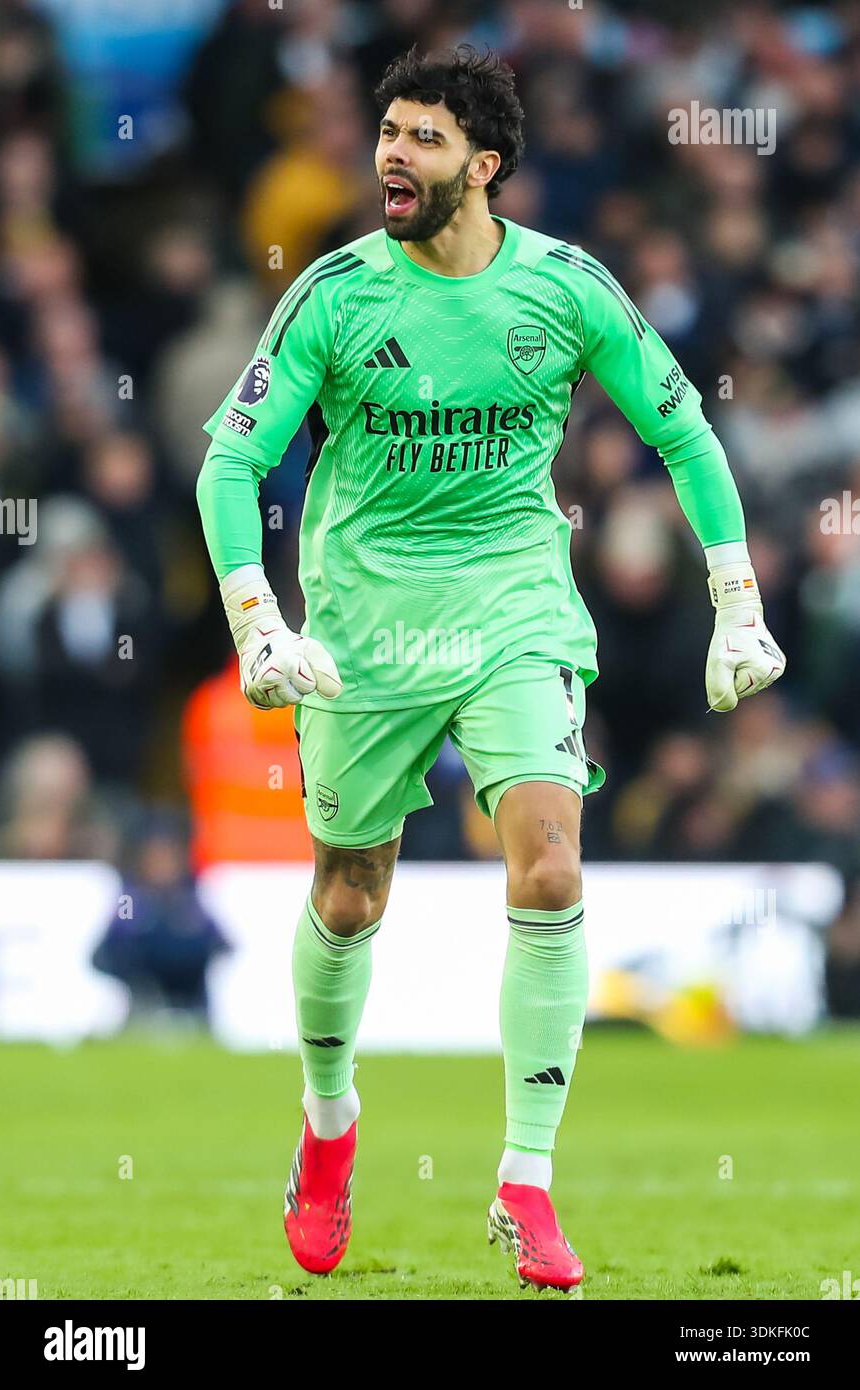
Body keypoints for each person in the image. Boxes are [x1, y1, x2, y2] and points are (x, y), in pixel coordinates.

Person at [195, 45, 786, 1292]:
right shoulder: (336, 294)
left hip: (517, 605)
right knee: (351, 891)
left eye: (418, 138)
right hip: (361, 632)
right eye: (386, 132)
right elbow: (228, 465)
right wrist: (258, 616)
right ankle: (327, 1121)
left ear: (486, 165)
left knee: (551, 858)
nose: (389, 156)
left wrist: (734, 597)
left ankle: (524, 1179)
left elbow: (680, 427)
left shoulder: (564, 290)